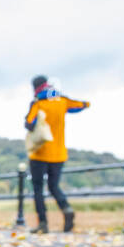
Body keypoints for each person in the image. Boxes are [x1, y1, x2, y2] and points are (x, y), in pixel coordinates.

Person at [24, 75, 89, 233]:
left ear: (35, 88)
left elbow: (29, 123)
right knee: (54, 186)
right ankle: (66, 209)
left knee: (38, 188)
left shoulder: (38, 103)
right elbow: (82, 105)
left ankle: (43, 223)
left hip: (40, 153)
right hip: (59, 153)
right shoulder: (61, 100)